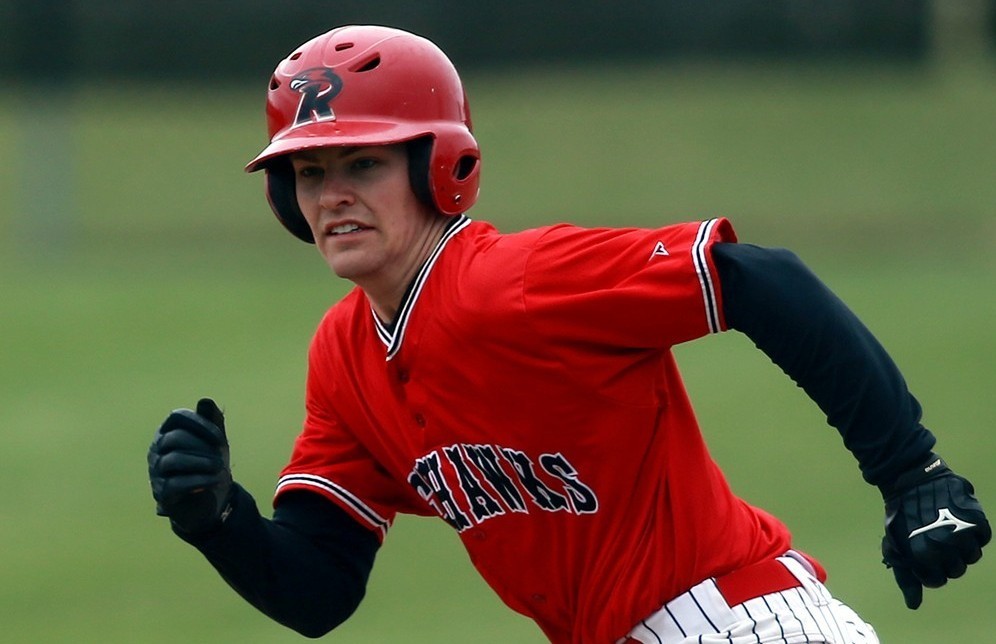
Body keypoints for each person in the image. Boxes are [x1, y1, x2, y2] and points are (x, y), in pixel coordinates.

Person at [147, 25, 990, 643]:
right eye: (309, 172)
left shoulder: (511, 282)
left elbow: (759, 279)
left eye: (362, 163)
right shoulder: (344, 356)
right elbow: (320, 586)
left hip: (736, 622)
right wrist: (219, 520)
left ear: (439, 165)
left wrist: (910, 470)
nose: (332, 195)